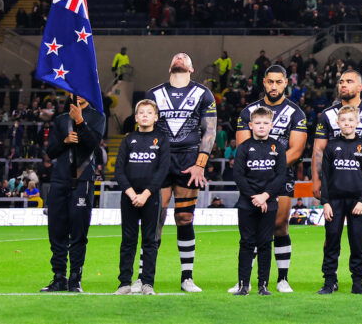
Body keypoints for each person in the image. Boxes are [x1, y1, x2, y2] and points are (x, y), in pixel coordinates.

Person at [312, 66, 362, 291]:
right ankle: (331, 279)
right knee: (332, 235)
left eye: (348, 81)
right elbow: (319, 150)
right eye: (341, 82)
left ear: (360, 87)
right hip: (335, 187)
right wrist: (316, 182)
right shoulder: (327, 114)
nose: (343, 85)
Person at [235, 64, 311, 293]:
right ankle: (246, 280)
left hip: (281, 175)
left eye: (279, 82)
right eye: (270, 81)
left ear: (286, 83)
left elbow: (297, 150)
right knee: (251, 231)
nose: (274, 86)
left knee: (278, 225)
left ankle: (282, 278)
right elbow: (242, 147)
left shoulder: (296, 113)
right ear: (264, 83)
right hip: (252, 178)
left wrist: (273, 172)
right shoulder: (248, 111)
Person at [148, 52, 216, 293]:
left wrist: (200, 163)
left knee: (184, 217)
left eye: (185, 56)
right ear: (170, 67)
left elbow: (210, 131)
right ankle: (145, 277)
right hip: (160, 158)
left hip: (189, 159)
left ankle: (187, 277)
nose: (179, 56)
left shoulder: (203, 94)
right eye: (176, 56)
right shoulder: (154, 94)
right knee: (155, 216)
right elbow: (146, 129)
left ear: (192, 68)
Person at [41, 94, 104, 293]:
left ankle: (75, 279)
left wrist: (80, 121)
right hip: (59, 180)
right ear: (70, 94)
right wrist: (65, 141)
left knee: (78, 232)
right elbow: (51, 151)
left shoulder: (97, 117)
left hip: (83, 181)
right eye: (75, 92)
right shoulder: (60, 119)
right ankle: (59, 277)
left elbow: (93, 143)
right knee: (57, 231)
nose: (79, 95)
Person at [317, 105, 362, 295]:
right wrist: (325, 202)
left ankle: (358, 283)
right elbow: (324, 176)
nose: (347, 123)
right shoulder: (332, 146)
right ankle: (329, 281)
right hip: (334, 202)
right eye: (344, 120)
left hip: (356, 203)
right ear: (338, 123)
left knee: (357, 242)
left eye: (351, 120)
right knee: (332, 240)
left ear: (357, 123)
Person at [230, 106, 289, 295]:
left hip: (269, 203)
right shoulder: (244, 148)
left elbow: (281, 176)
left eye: (265, 123)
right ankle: (243, 285)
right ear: (250, 125)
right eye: (258, 123)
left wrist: (265, 196)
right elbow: (238, 176)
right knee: (246, 243)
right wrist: (254, 197)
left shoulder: (278, 147)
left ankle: (263, 285)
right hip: (247, 203)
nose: (261, 127)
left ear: (271, 125)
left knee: (265, 243)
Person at [115, 99, 168, 295]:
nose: (145, 115)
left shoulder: (161, 140)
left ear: (156, 117)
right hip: (129, 198)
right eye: (141, 113)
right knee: (128, 240)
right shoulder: (128, 140)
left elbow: (162, 171)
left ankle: (147, 283)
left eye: (149, 112)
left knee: (150, 241)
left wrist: (145, 194)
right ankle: (124, 283)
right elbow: (119, 171)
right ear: (136, 118)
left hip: (151, 198)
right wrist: (131, 193)